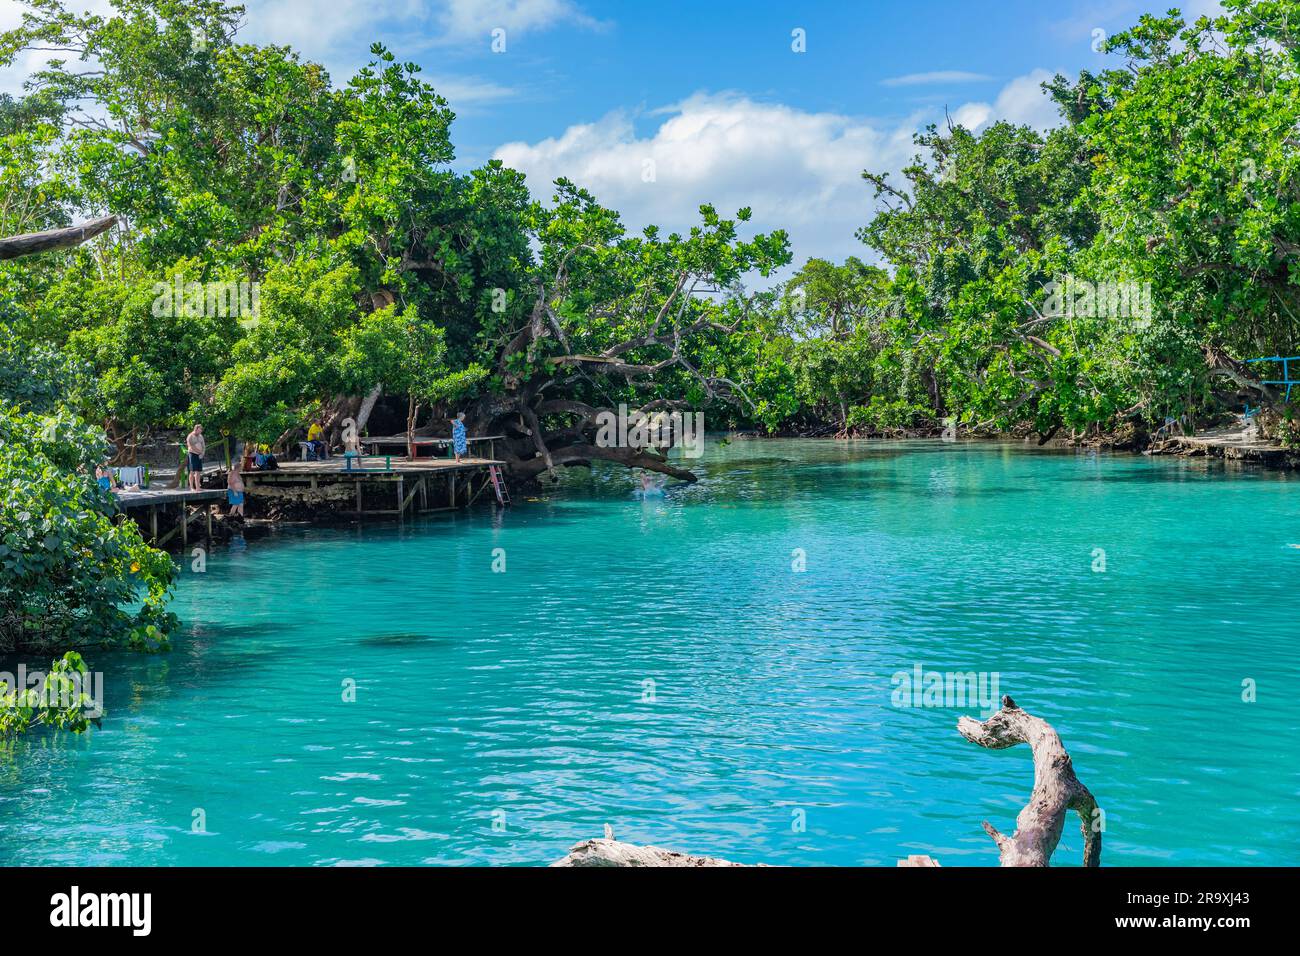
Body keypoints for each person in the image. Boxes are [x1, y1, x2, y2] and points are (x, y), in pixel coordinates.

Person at [185, 424, 206, 491]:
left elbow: (203, 445)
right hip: (192, 454)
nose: (201, 431)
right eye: (200, 429)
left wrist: (202, 453)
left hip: (199, 455)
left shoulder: (200, 436)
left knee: (198, 471)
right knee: (192, 471)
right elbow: (191, 446)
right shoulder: (190, 436)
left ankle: (198, 487)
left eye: (201, 429)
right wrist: (199, 451)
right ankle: (191, 487)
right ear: (196, 429)